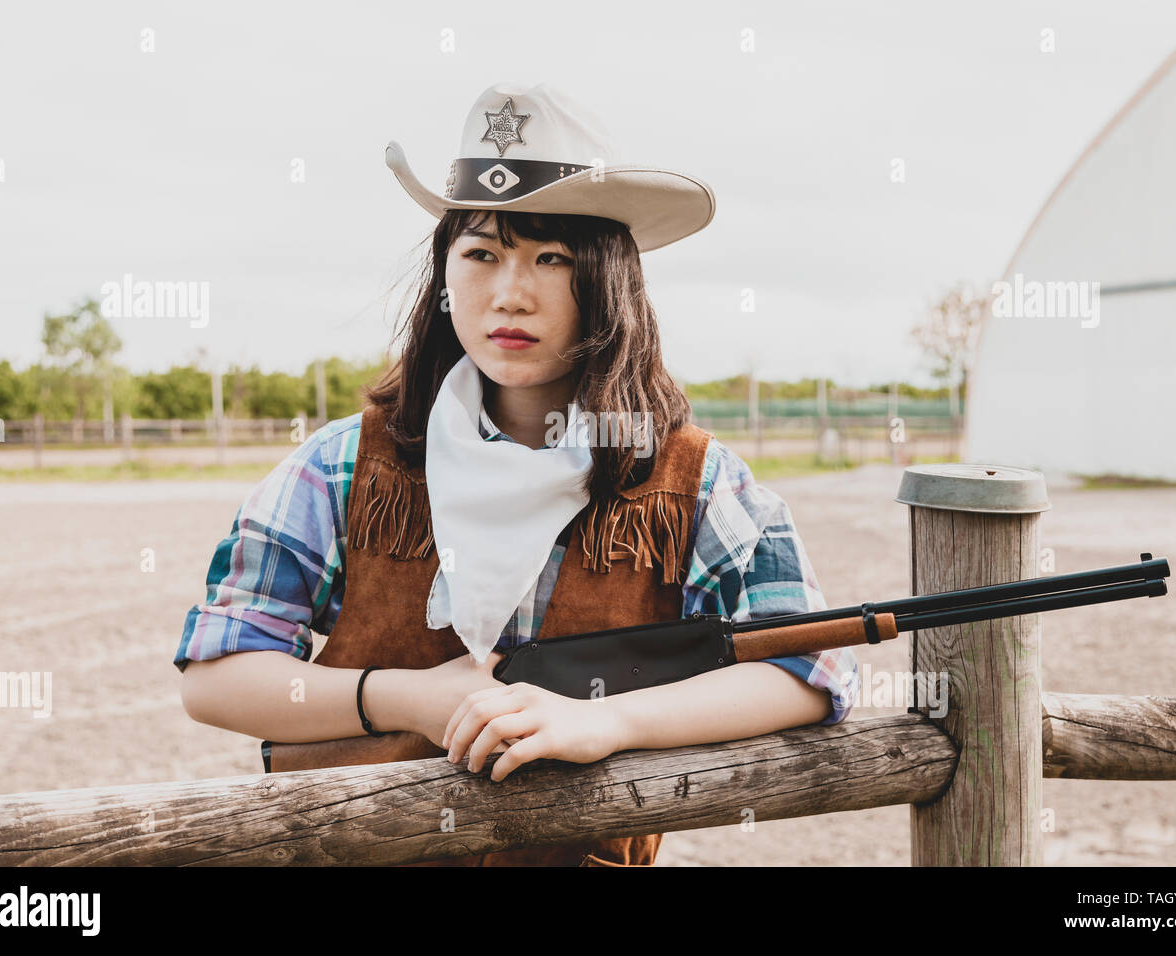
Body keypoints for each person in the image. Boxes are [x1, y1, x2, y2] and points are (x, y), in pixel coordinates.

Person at [175, 81, 860, 867]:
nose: (510, 294)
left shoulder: (696, 483)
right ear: (445, 273)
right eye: (482, 253)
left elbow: (808, 667)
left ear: (608, 279)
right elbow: (216, 677)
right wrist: (406, 699)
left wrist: (607, 721)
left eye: (552, 257)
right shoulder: (339, 466)